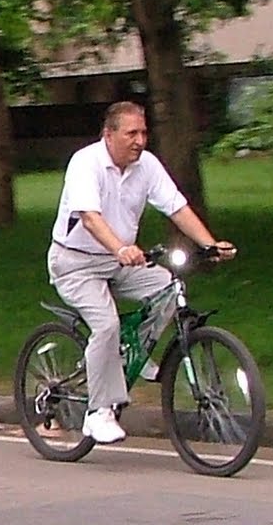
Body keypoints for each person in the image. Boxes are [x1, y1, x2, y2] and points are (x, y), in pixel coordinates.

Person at [48, 101, 235, 445]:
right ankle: (98, 412)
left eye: (144, 132)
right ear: (109, 134)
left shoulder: (146, 165)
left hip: (122, 261)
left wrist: (210, 244)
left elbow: (176, 207)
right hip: (75, 263)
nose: (140, 140)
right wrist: (119, 247)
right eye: (131, 133)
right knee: (106, 324)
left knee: (168, 287)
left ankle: (130, 352)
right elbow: (89, 217)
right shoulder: (85, 163)